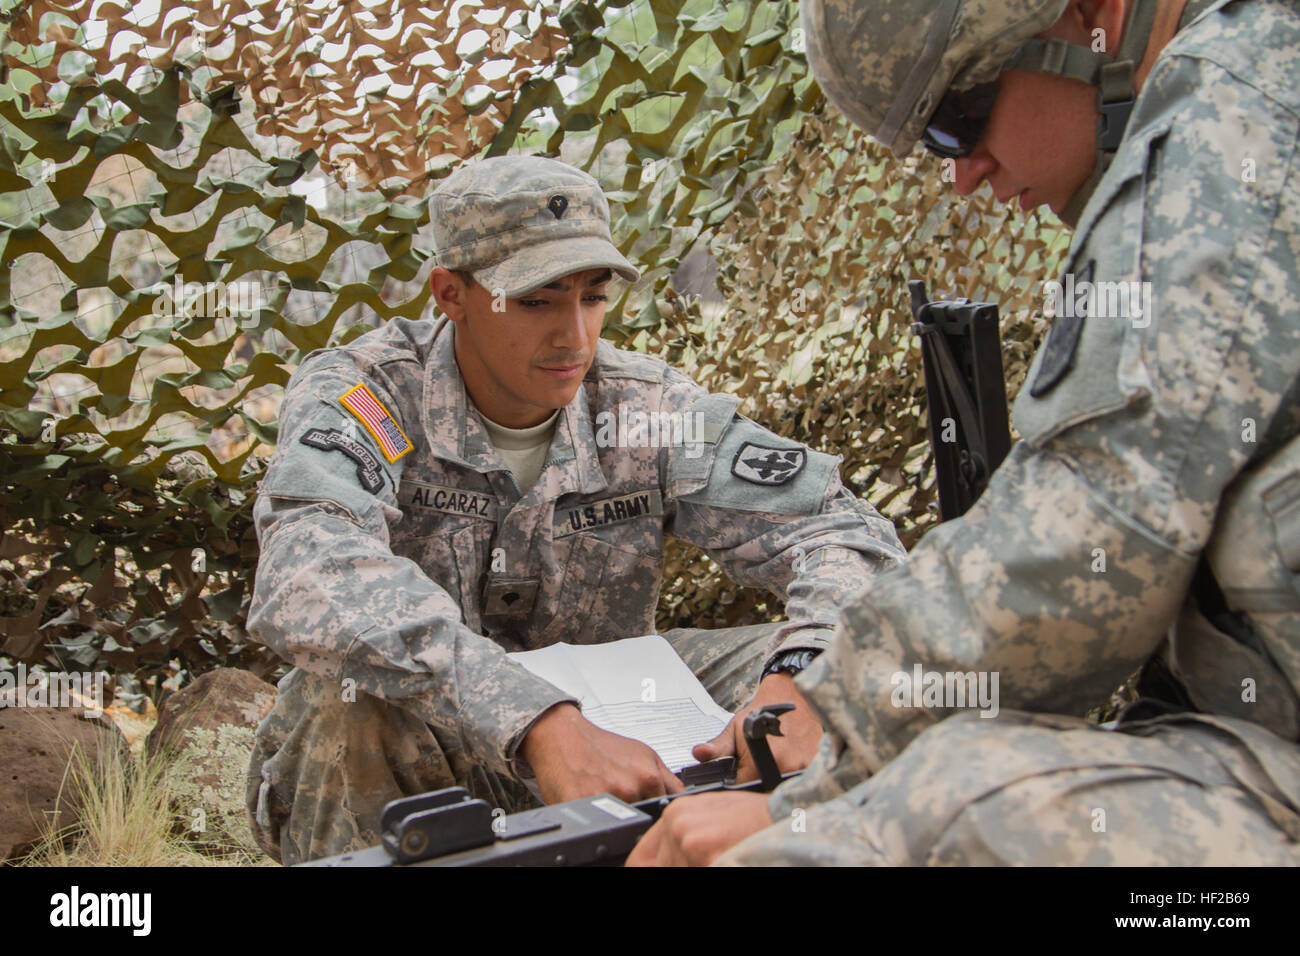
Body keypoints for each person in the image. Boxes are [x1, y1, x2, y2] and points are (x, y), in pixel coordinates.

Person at [627, 0, 1300, 866]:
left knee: (929, 822)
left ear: (1089, 15)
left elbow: (1083, 546)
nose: (965, 175)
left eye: (957, 121)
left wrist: (831, 754)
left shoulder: (1236, 103)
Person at [243, 155, 907, 865]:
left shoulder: (643, 407)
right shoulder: (371, 393)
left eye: (593, 296)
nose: (575, 336)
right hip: (442, 740)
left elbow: (843, 530)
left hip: (625, 729)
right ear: (450, 294)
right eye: (536, 301)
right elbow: (307, 568)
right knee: (341, 704)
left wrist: (805, 676)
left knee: (869, 673)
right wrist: (532, 717)